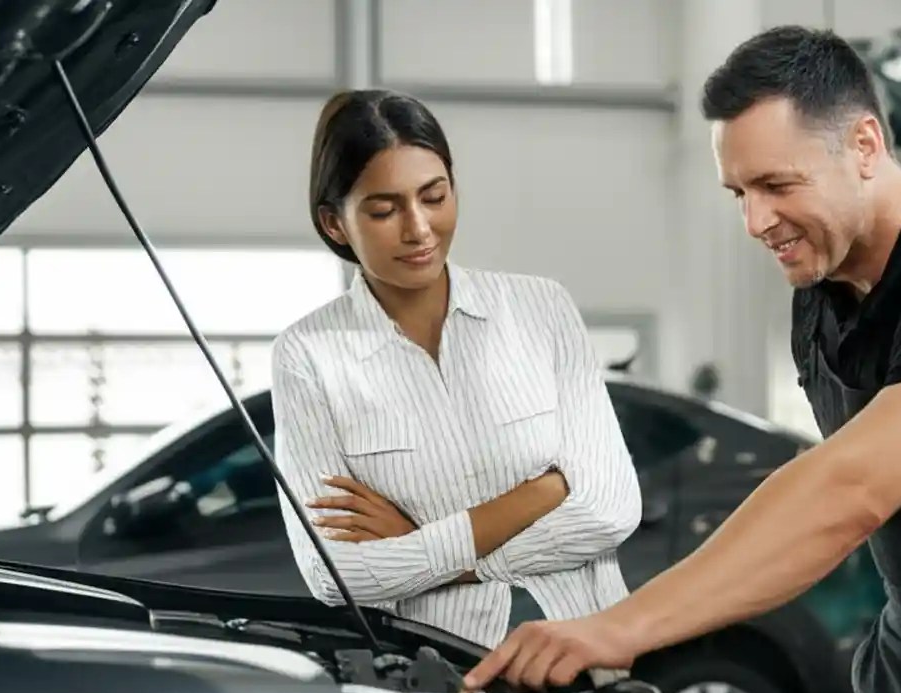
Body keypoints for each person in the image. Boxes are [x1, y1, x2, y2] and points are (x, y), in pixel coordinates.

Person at [463, 25, 901, 693]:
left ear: (865, 146)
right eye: (739, 192)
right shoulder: (821, 299)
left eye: (777, 184)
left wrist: (621, 627)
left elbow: (850, 488)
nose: (755, 221)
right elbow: (825, 487)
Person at [271, 89, 642, 650]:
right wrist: (541, 493)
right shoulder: (307, 355)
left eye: (434, 196)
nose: (419, 228)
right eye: (384, 210)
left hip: (589, 654)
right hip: (440, 672)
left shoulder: (541, 307)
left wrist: (427, 547)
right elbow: (334, 575)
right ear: (334, 223)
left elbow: (610, 510)